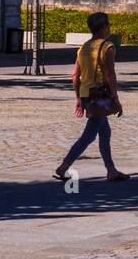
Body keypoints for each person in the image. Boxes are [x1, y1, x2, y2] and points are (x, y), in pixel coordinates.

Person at [54, 12, 129, 182]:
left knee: (105, 133)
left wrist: (79, 99)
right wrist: (116, 99)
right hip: (100, 97)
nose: (110, 27)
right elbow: (110, 75)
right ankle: (64, 166)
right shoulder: (107, 47)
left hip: (87, 96)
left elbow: (75, 76)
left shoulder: (83, 48)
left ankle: (111, 170)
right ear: (103, 27)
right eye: (108, 24)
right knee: (89, 136)